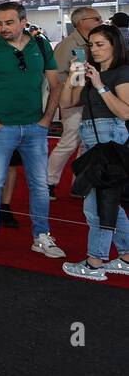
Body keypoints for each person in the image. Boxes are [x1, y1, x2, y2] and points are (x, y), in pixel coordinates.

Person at [0, 1, 65, 258]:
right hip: (1, 128)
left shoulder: (41, 45)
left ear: (24, 21)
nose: (2, 27)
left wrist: (47, 119)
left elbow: (55, 85)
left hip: (35, 127)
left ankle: (41, 235)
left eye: (9, 22)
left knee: (40, 185)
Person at [58, 25, 129, 279]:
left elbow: (126, 112)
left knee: (96, 204)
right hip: (92, 139)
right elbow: (67, 102)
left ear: (114, 45)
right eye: (91, 45)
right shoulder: (94, 72)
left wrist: (99, 86)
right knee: (107, 202)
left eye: (100, 44)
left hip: (109, 138)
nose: (94, 50)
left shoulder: (121, 73)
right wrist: (72, 78)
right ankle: (126, 255)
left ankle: (95, 262)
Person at [48, 7, 103, 197]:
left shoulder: (90, 42)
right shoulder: (70, 45)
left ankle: (79, 184)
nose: (100, 20)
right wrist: (72, 93)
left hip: (89, 100)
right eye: (96, 18)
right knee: (69, 142)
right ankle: (48, 182)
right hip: (74, 101)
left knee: (86, 144)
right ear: (81, 22)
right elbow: (57, 76)